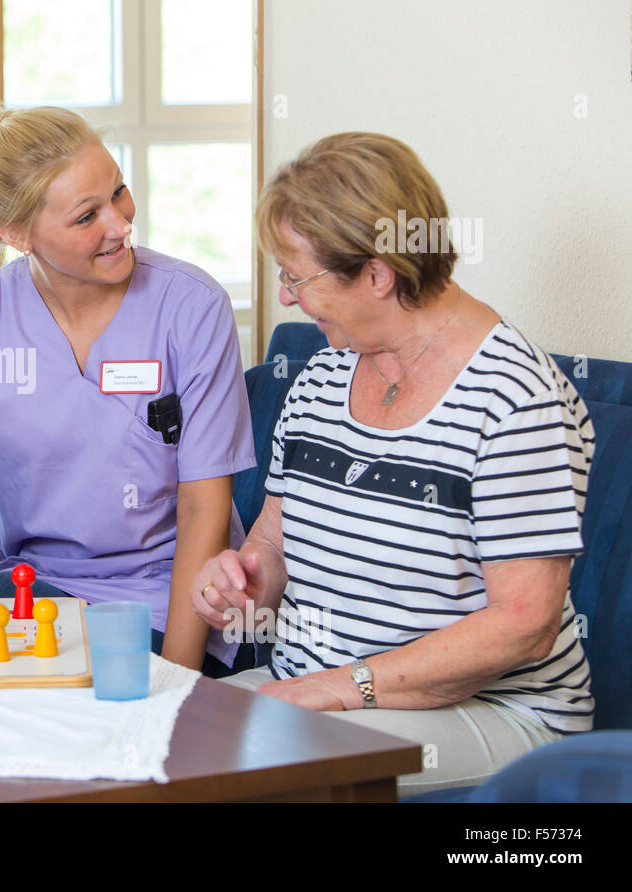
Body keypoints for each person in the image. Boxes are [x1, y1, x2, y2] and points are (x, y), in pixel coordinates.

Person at [195, 132, 594, 796]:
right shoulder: (322, 377)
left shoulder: (515, 399)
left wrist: (343, 689)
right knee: (153, 739)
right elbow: (271, 540)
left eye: (296, 277)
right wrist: (242, 582)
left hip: (490, 715)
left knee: (268, 771)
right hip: (311, 691)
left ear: (378, 274)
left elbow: (524, 625)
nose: (288, 298)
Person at [0, 104, 256, 671]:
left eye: (119, 193)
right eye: (86, 217)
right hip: (33, 597)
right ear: (17, 235)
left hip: (164, 608)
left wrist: (177, 683)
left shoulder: (193, 308)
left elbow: (205, 510)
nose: (121, 224)